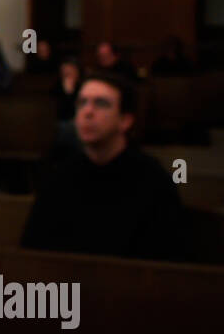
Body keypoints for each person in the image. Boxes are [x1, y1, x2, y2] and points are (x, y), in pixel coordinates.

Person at [20, 71, 184, 261]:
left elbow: (164, 258)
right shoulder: (60, 176)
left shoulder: (152, 180)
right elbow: (32, 249)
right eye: (82, 103)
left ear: (125, 121)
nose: (88, 112)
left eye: (101, 103)